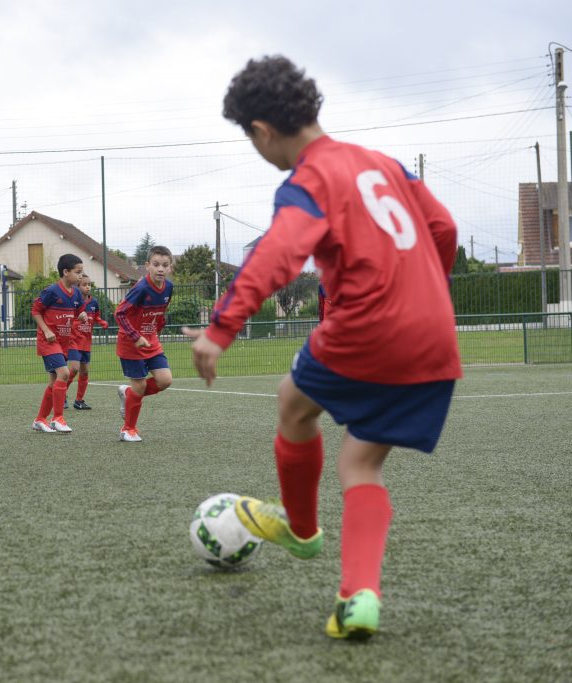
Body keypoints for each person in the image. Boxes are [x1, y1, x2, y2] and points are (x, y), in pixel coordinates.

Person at [185, 55, 461, 641]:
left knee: (292, 403)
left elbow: (281, 252)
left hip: (364, 325)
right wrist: (425, 288)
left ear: (262, 131)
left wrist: (222, 326)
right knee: (362, 461)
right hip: (434, 333)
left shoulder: (309, 179)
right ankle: (358, 595)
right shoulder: (381, 163)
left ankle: (303, 532)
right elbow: (444, 230)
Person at [114, 246, 174, 442]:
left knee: (165, 380)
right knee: (140, 387)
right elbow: (119, 313)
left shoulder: (169, 287)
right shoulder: (141, 288)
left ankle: (128, 393)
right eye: (156, 264)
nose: (160, 269)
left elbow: (160, 312)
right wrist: (135, 336)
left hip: (151, 341)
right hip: (131, 343)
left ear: (170, 268)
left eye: (165, 265)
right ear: (147, 266)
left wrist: (158, 329)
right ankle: (127, 430)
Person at [31, 254, 87, 433]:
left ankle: (40, 420)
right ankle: (57, 418)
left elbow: (78, 311)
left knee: (54, 382)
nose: (80, 276)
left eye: (81, 272)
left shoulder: (77, 292)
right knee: (64, 373)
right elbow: (36, 311)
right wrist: (46, 330)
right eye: (78, 272)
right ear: (65, 272)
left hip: (63, 342)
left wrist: (82, 315)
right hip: (49, 341)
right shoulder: (52, 291)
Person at [66, 275, 109, 410]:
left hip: (86, 342)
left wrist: (101, 321)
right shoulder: (72, 302)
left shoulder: (93, 302)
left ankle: (79, 401)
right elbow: (67, 318)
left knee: (84, 372)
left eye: (89, 284)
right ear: (77, 287)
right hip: (74, 340)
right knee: (73, 369)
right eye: (84, 284)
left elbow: (96, 316)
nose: (87, 287)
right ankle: (61, 395)